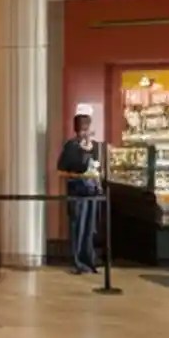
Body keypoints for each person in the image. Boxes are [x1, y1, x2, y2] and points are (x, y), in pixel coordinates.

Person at [57, 113, 102, 274]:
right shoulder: (71, 147)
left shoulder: (96, 146)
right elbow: (60, 171)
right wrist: (77, 176)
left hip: (92, 192)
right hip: (77, 193)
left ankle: (90, 260)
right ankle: (78, 262)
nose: (85, 132)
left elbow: (97, 167)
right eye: (82, 129)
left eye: (87, 128)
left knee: (90, 228)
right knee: (78, 228)